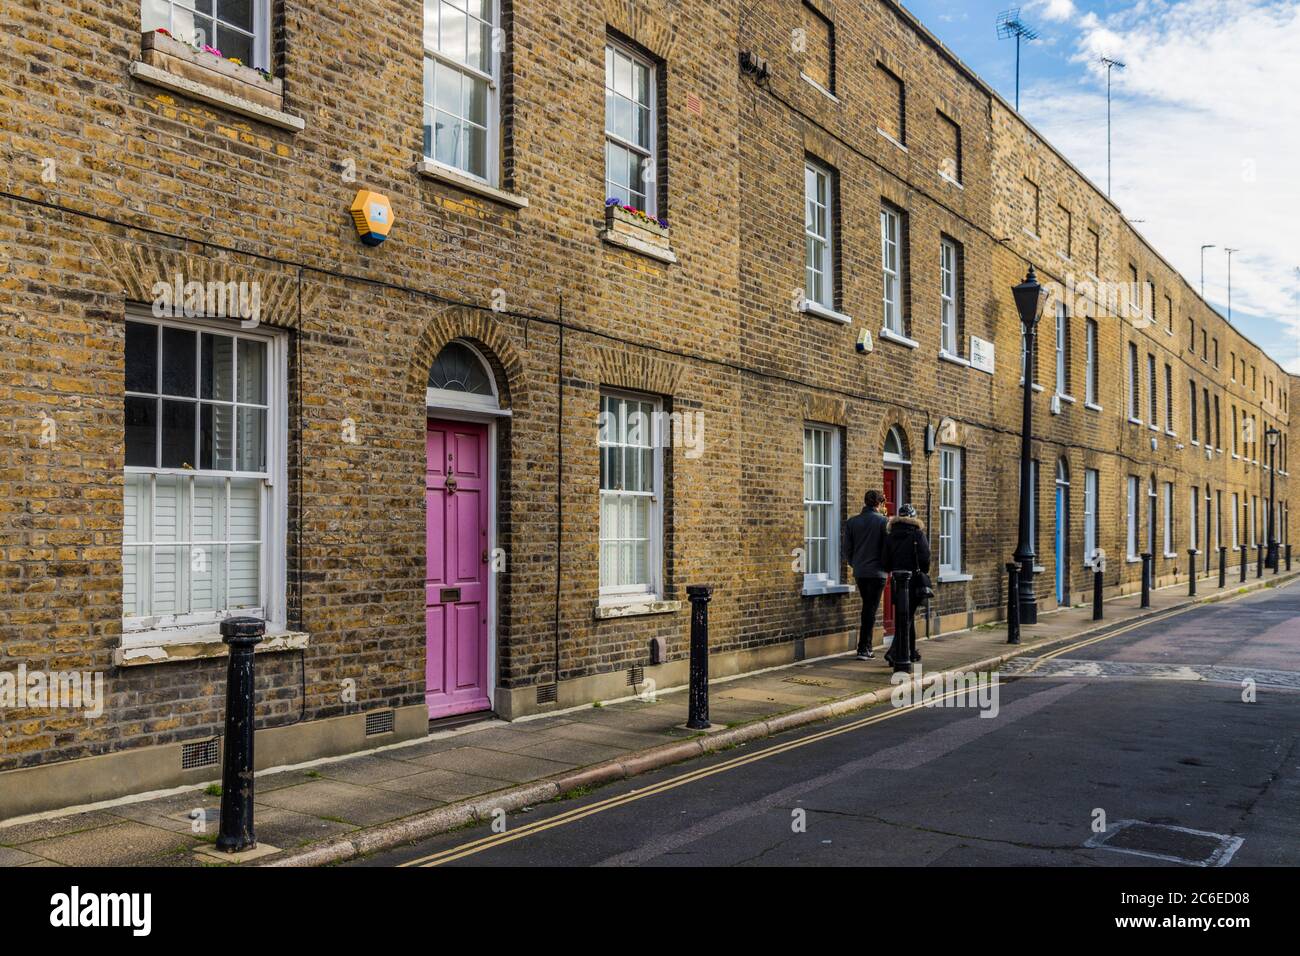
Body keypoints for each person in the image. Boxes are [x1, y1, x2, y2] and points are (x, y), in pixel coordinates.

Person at [882, 503, 931, 671]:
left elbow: (885, 562)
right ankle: (894, 652)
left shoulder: (890, 535)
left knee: (904, 616)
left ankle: (911, 652)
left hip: (896, 581)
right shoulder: (918, 534)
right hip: (914, 579)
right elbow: (925, 558)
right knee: (907, 618)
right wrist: (922, 571)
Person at [843, 490, 889, 659]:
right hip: (878, 573)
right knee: (870, 609)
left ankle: (865, 647)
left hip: (860, 572)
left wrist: (855, 564)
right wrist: (886, 567)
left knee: (868, 607)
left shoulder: (852, 522)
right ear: (879, 503)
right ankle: (864, 648)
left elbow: (847, 550)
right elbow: (888, 549)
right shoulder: (884, 521)